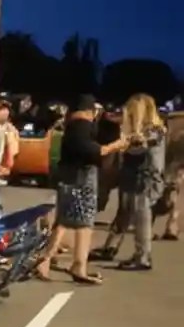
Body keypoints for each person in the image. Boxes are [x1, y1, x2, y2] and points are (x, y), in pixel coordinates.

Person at [33, 95, 129, 284]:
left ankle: (46, 260)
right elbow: (93, 151)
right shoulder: (81, 126)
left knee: (64, 221)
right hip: (81, 178)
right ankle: (77, 265)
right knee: (84, 223)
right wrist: (117, 146)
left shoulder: (73, 126)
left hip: (72, 177)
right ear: (89, 111)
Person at [92, 93, 167, 270]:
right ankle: (110, 247)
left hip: (145, 179)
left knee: (142, 218)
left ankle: (143, 257)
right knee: (124, 213)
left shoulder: (153, 131)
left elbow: (140, 147)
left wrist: (126, 142)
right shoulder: (143, 131)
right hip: (132, 176)